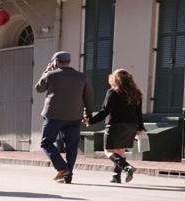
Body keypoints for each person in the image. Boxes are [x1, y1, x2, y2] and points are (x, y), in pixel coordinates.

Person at [34, 50, 94, 184]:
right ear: (69, 61)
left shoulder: (50, 75)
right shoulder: (81, 76)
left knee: (46, 142)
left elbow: (38, 89)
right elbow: (88, 97)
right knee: (72, 146)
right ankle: (68, 176)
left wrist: (45, 71)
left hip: (53, 115)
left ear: (56, 61)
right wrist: (88, 114)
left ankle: (62, 168)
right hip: (74, 116)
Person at [88, 68, 144, 184]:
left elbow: (105, 111)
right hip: (131, 125)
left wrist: (91, 121)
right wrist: (140, 127)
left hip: (116, 124)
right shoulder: (137, 93)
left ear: (114, 79)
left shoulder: (113, 92)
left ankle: (127, 167)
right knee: (120, 151)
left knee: (108, 150)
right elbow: (139, 112)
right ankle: (116, 176)